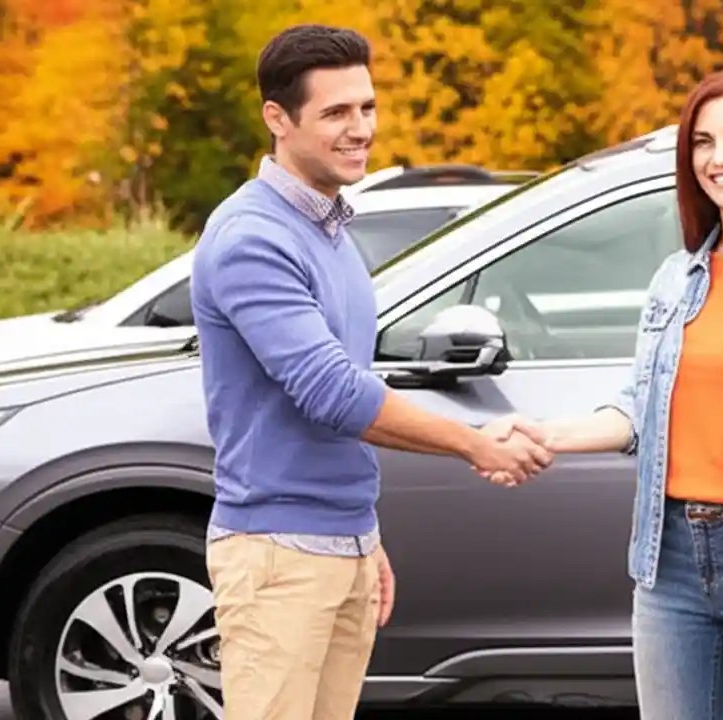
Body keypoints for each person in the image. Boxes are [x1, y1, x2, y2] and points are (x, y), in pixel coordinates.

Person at [189, 25, 552, 720]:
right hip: (278, 557)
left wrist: (362, 535)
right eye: (336, 113)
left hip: (338, 546)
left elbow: (340, 404)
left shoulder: (328, 227)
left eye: (367, 107)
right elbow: (332, 392)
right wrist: (475, 443)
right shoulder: (252, 237)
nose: (361, 129)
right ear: (277, 118)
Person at [485, 68, 723, 719]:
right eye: (703, 142)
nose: (720, 158)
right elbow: (641, 407)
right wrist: (545, 434)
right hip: (668, 569)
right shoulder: (675, 278)